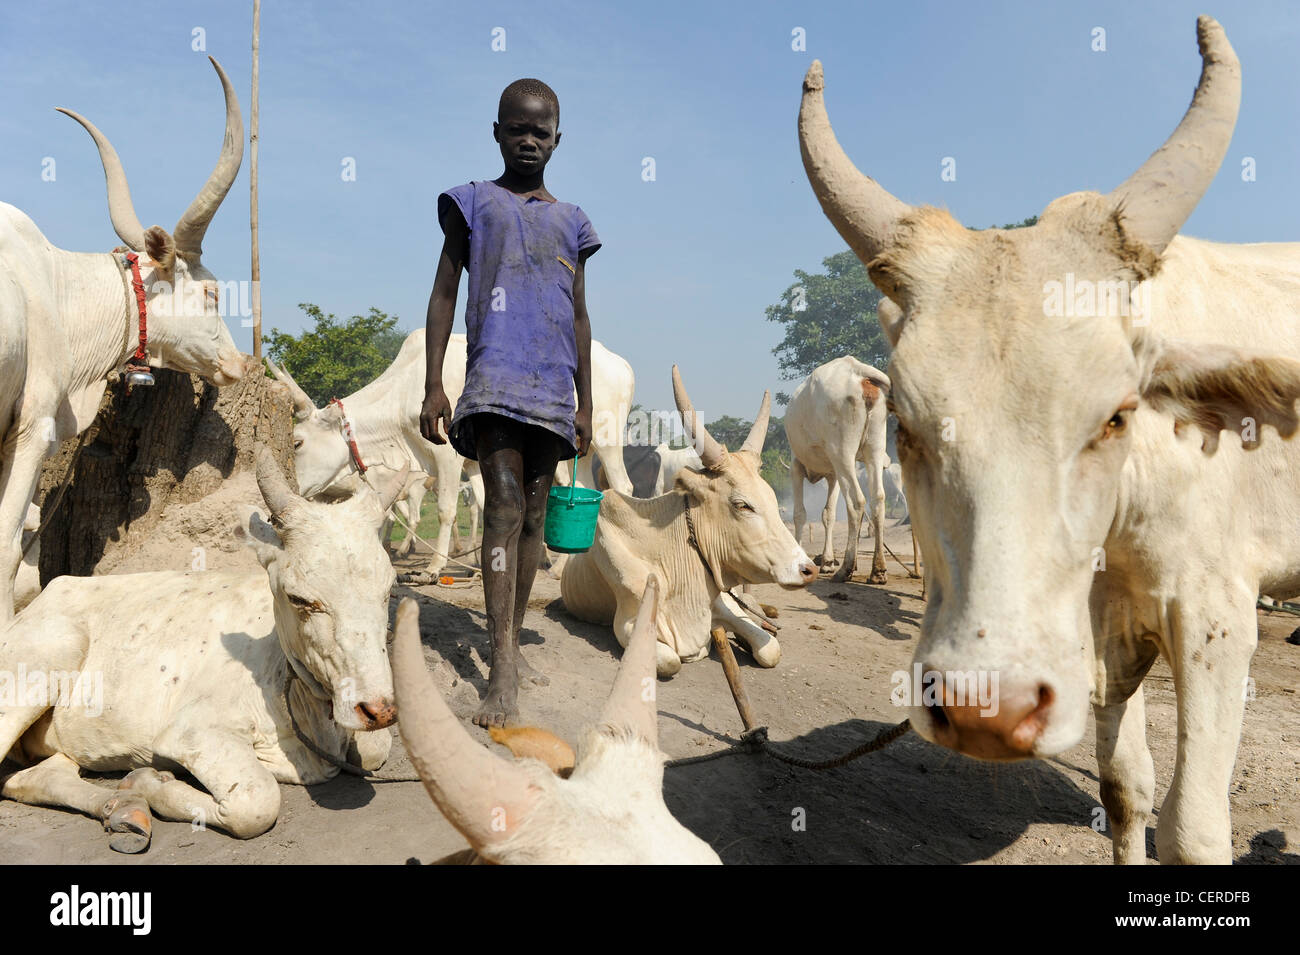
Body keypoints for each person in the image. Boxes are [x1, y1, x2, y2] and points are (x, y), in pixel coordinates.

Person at [420, 78, 600, 727]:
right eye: (516, 129)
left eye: (541, 131)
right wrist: (433, 383)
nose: (528, 140)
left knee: (531, 516)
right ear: (496, 131)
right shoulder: (474, 204)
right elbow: (444, 295)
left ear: (558, 138)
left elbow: (580, 317)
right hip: (494, 377)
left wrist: (586, 403)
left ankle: (511, 641)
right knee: (500, 503)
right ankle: (499, 667)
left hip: (551, 388)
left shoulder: (572, 220)